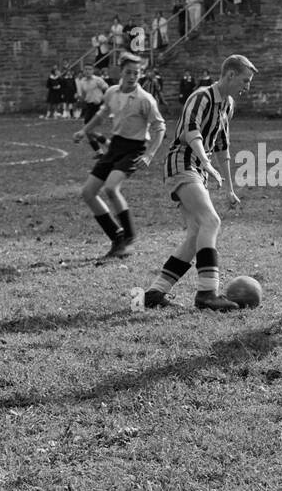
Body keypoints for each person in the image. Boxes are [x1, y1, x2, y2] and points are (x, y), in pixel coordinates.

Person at [143, 55, 259, 311]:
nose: (247, 87)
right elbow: (190, 131)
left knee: (196, 234)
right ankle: (207, 294)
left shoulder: (228, 104)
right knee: (211, 221)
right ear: (230, 75)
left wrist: (229, 188)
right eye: (245, 80)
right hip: (183, 162)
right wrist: (205, 162)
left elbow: (222, 145)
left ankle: (153, 293)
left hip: (198, 167)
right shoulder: (201, 96)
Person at [72, 55, 167, 260]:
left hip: (135, 148)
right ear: (120, 72)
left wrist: (149, 154)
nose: (132, 77)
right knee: (88, 192)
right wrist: (84, 131)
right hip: (115, 146)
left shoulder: (145, 99)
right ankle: (117, 236)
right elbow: (101, 114)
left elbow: (160, 128)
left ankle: (129, 236)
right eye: (128, 72)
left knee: (111, 187)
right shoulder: (112, 92)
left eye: (136, 73)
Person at [75, 62, 110, 153]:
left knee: (88, 130)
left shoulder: (98, 80)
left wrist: (104, 101)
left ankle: (108, 144)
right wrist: (79, 98)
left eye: (89, 69)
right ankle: (99, 152)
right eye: (86, 69)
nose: (87, 71)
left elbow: (107, 90)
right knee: (87, 130)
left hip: (97, 106)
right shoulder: (82, 81)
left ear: (93, 70)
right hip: (89, 106)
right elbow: (83, 96)